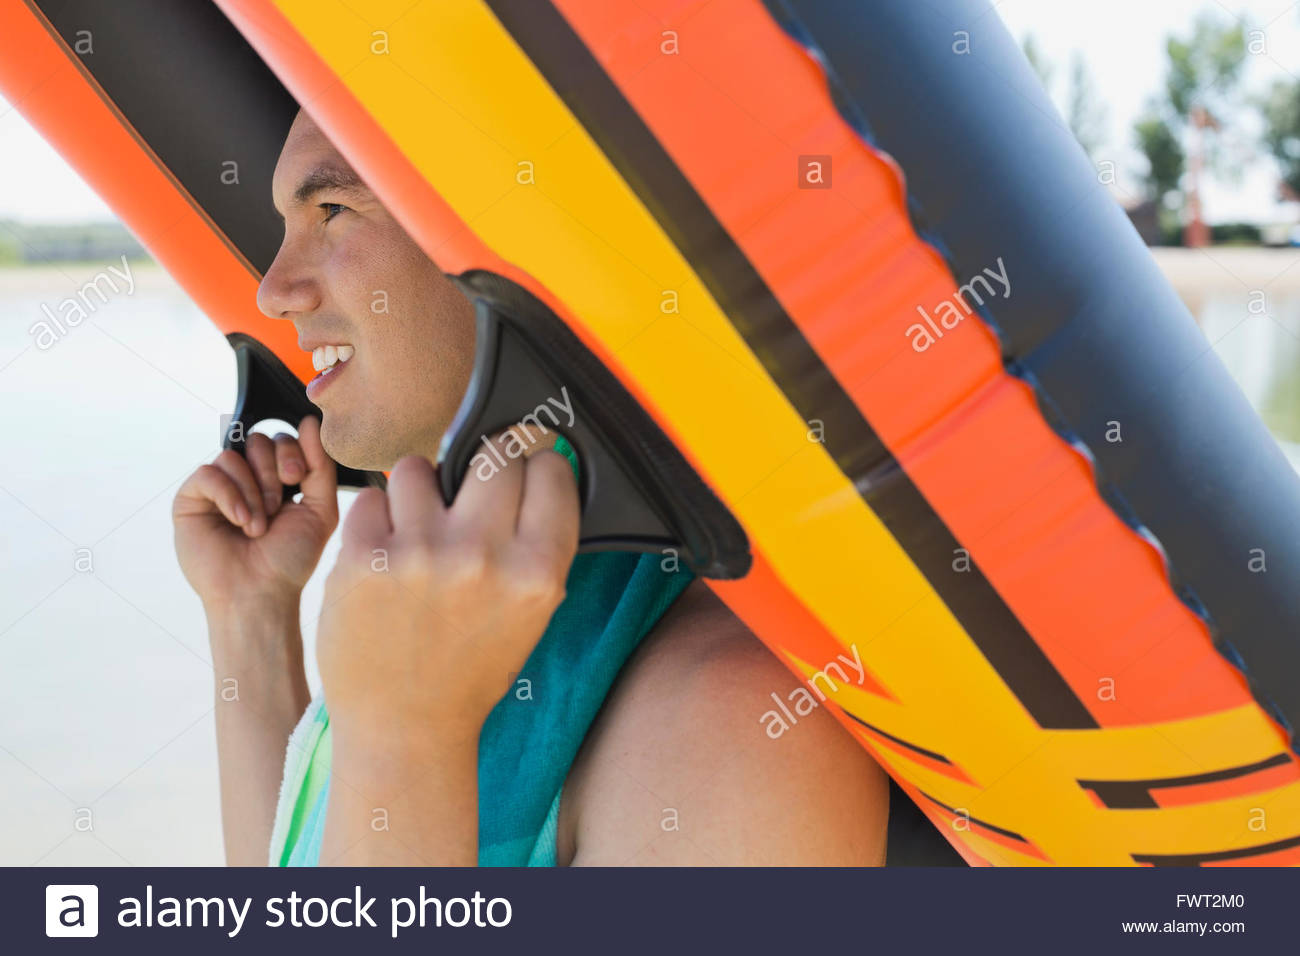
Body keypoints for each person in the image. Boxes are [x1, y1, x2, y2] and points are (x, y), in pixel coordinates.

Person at [172, 108, 901, 867]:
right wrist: (248, 619)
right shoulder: (445, 625)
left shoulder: (737, 724)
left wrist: (405, 740)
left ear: (516, 245)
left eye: (333, 211)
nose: (273, 291)